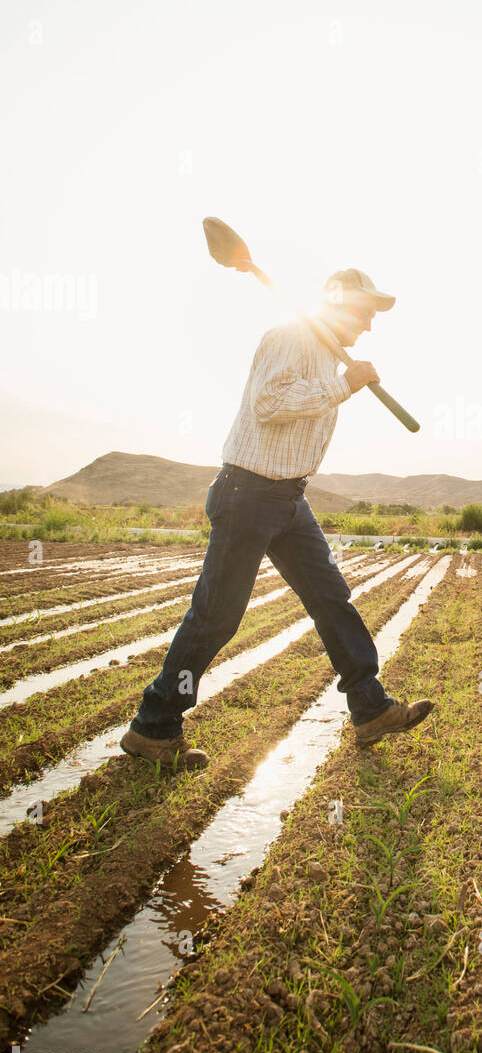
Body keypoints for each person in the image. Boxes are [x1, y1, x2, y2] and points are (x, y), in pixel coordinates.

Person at [120, 268, 433, 770]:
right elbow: (269, 404)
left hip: (288, 497)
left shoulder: (326, 351)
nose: (370, 325)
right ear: (339, 302)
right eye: (366, 313)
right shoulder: (290, 337)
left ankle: (370, 709)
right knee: (216, 615)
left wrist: (339, 380)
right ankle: (153, 727)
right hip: (249, 492)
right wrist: (343, 385)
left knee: (331, 597)